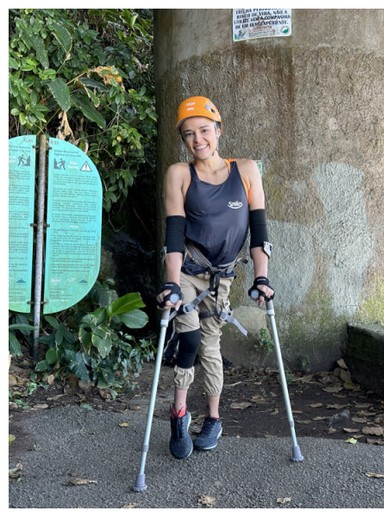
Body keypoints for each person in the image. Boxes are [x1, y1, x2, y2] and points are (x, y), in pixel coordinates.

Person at [156, 96, 274, 459]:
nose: (198, 140)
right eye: (189, 134)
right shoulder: (180, 173)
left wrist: (261, 277)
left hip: (221, 277)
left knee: (211, 347)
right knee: (189, 340)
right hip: (188, 272)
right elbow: (174, 233)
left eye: (204, 130)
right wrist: (171, 282)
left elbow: (259, 231)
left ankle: (213, 418)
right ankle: (178, 414)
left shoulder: (246, 170)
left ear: (218, 130)